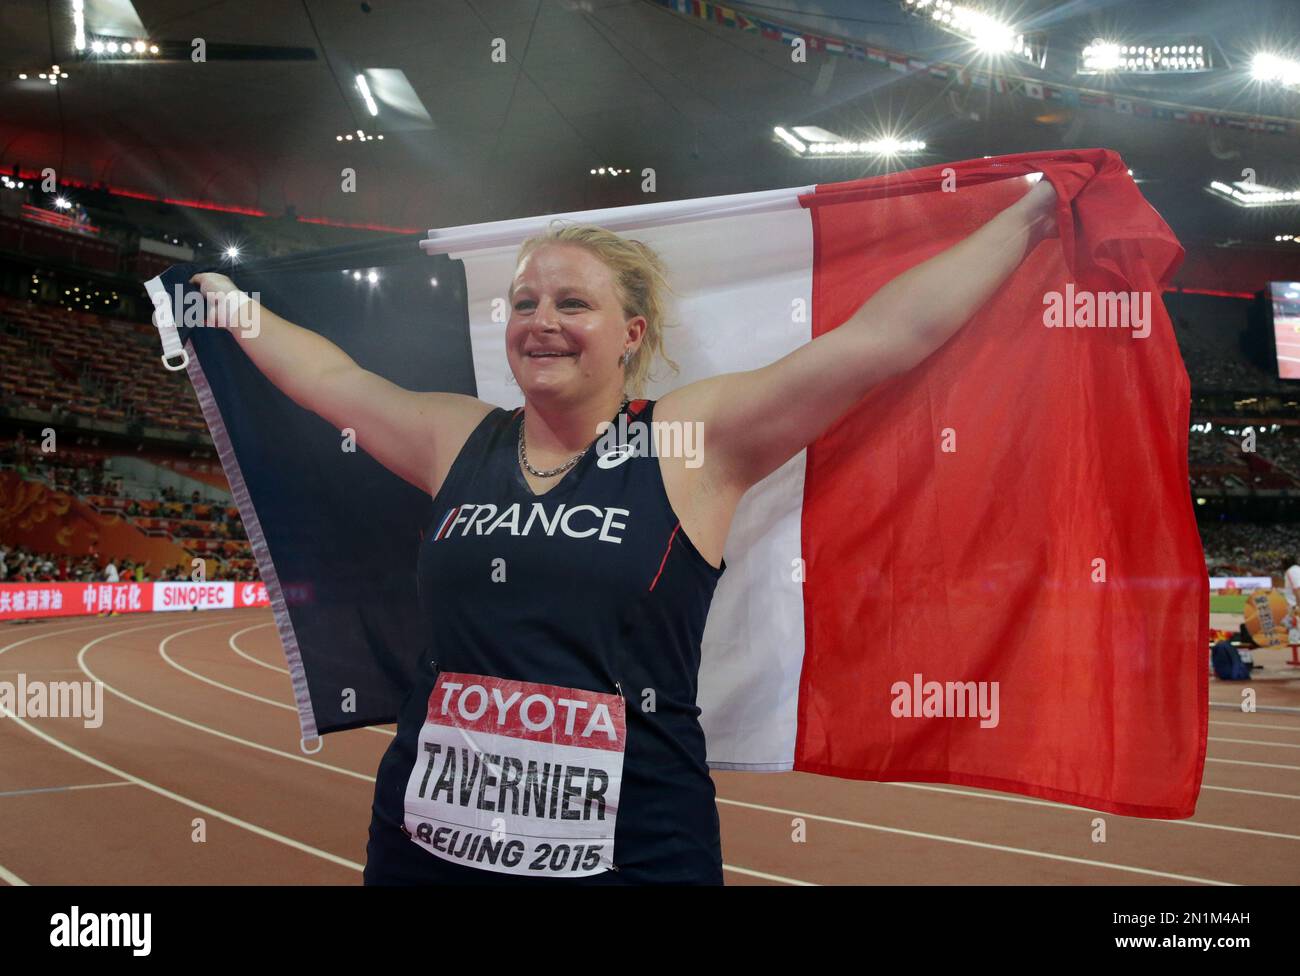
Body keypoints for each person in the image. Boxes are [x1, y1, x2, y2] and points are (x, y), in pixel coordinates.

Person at [191, 177, 1058, 885]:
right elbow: (327, 376)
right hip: (432, 840)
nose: (542, 321)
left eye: (574, 303)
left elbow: (884, 338)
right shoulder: (456, 436)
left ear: (631, 334)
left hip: (629, 848)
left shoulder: (692, 442)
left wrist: (1029, 212)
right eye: (525, 301)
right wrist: (229, 302)